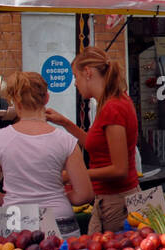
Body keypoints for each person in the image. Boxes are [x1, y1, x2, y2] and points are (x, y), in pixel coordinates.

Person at [0, 72, 93, 236]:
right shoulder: (66, 140)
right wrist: (59, 198)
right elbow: (84, 194)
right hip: (60, 222)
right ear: (46, 98)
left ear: (16, 102)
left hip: (14, 222)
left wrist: (15, 202)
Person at [46, 46, 139, 233]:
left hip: (116, 202)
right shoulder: (112, 102)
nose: (74, 83)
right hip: (112, 199)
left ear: (87, 73)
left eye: (76, 76)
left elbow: (119, 169)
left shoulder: (112, 107)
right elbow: (95, 144)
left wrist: (74, 174)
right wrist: (65, 123)